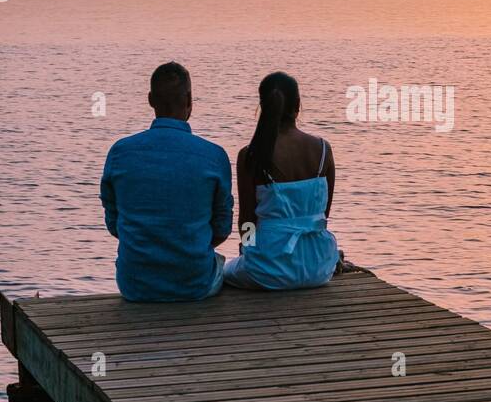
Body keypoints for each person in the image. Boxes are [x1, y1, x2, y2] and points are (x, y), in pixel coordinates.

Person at [100, 62, 233, 302]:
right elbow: (222, 229)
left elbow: (114, 224)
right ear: (190, 100)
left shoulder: (120, 152)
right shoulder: (214, 156)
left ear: (150, 99)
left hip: (135, 285)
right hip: (195, 284)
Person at [224, 71, 339, 291]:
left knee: (225, 272)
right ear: (298, 104)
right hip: (319, 266)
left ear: (262, 106)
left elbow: (247, 221)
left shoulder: (251, 155)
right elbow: (323, 215)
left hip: (268, 269)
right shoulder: (323, 149)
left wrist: (247, 250)